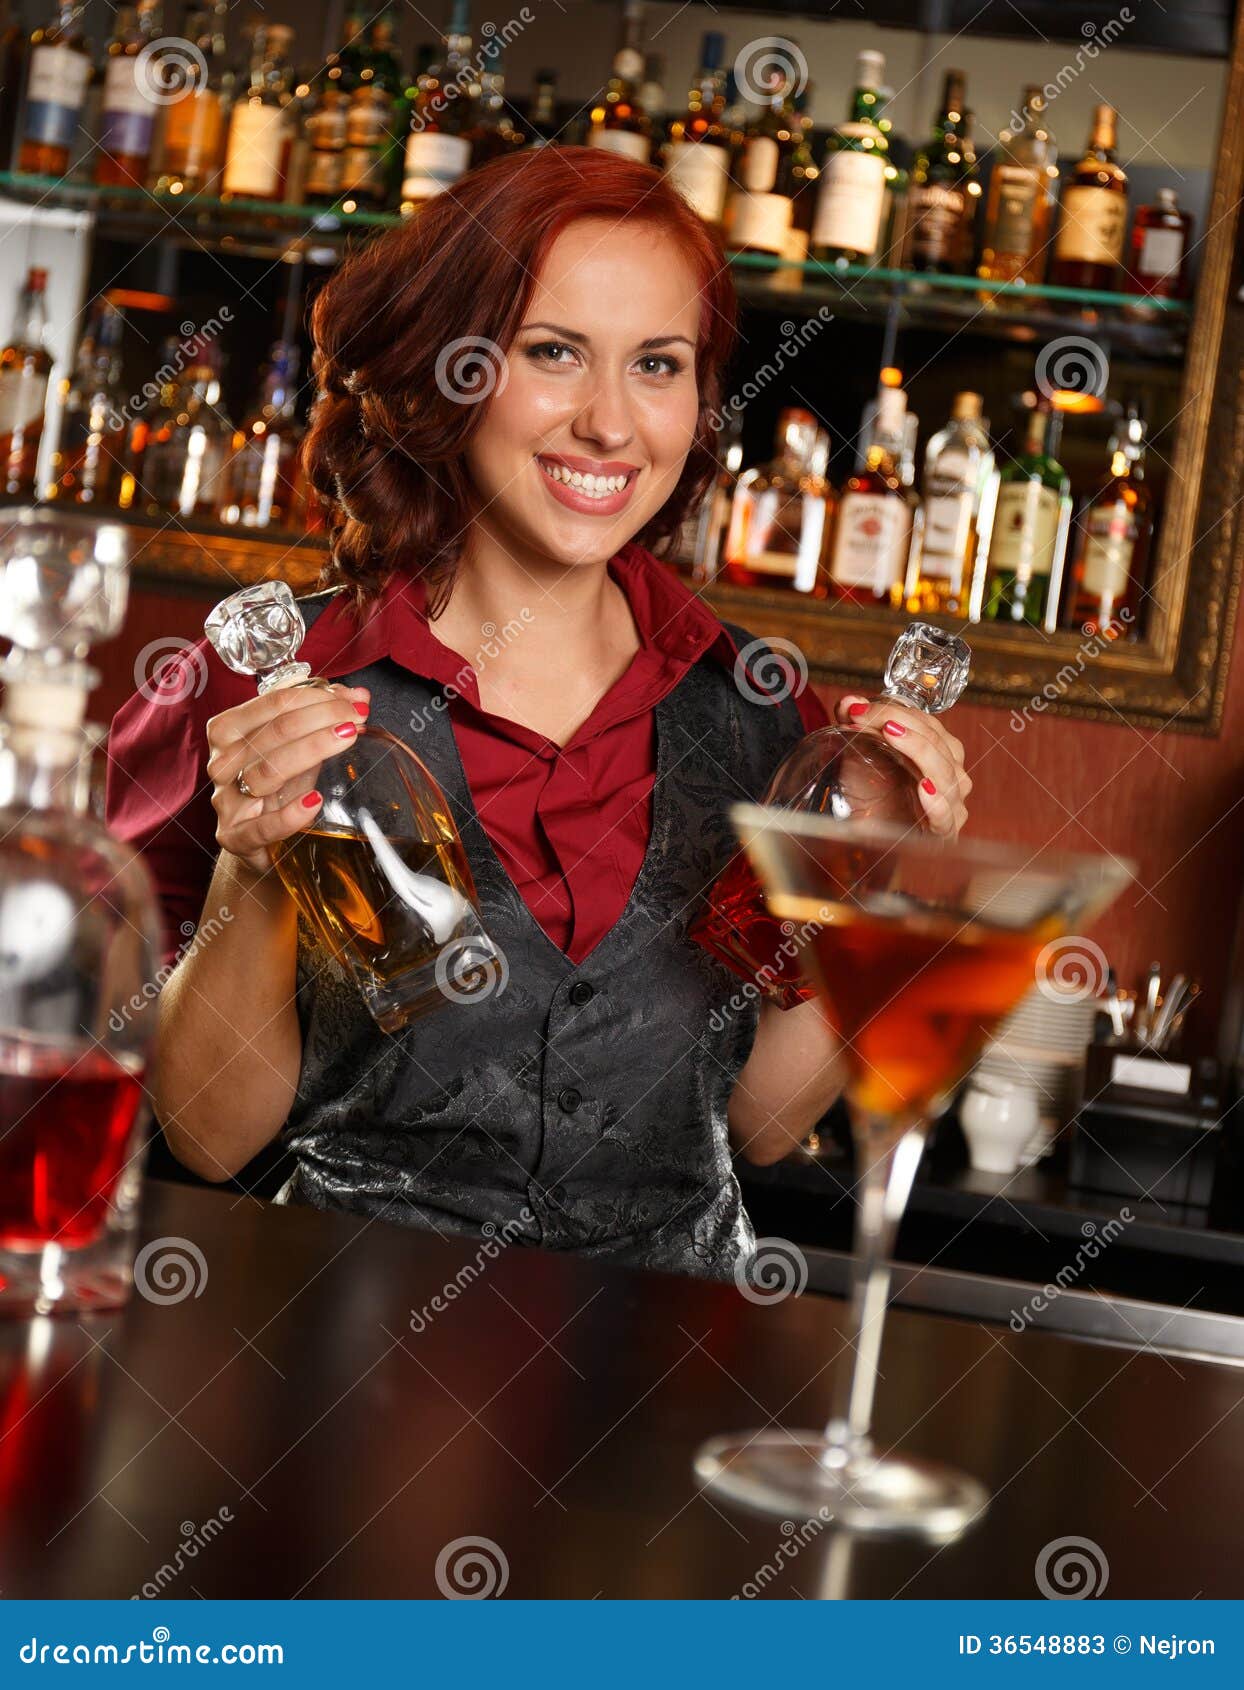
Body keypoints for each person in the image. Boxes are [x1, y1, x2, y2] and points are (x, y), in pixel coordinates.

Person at [107, 146, 971, 1282]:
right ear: (447, 370)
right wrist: (255, 868)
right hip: (333, 1369)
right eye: (552, 352)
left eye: (657, 365)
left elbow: (764, 1122)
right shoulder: (260, 685)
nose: (610, 423)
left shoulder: (761, 714)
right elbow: (209, 1138)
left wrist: (879, 876)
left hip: (665, 1371)